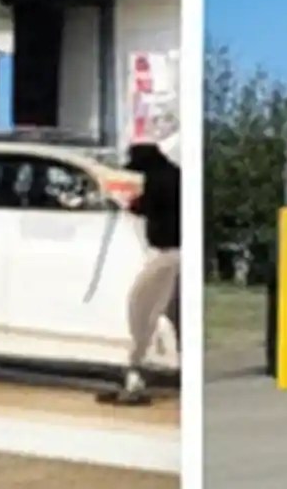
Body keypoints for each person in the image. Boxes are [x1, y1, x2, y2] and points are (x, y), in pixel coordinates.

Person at [99, 138, 181, 406]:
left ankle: (136, 375)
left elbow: (143, 207)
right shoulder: (175, 175)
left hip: (169, 254)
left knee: (142, 308)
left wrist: (125, 203)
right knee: (170, 312)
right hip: (174, 255)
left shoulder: (158, 180)